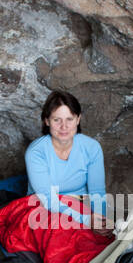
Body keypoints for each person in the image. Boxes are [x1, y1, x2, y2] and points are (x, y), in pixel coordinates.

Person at [25, 90, 108, 230]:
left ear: (78, 119)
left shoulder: (92, 147)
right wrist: (87, 220)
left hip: (81, 205)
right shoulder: (35, 152)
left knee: (106, 239)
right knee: (61, 237)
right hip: (45, 207)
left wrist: (101, 221)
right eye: (57, 120)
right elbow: (48, 199)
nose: (64, 126)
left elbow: (97, 191)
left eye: (69, 119)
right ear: (47, 121)